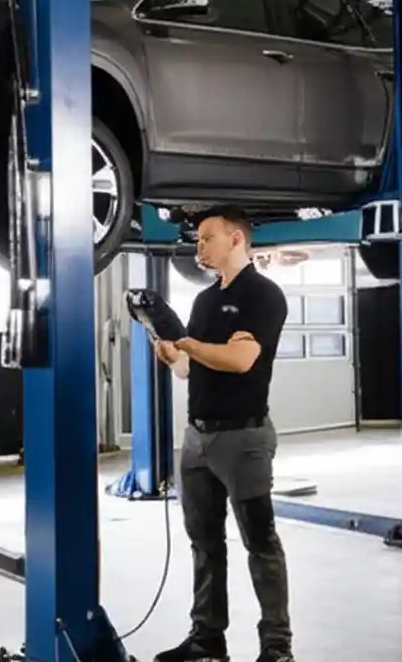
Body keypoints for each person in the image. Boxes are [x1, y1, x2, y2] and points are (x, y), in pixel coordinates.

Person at [153, 206, 294, 662]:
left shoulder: (264, 296)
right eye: (196, 241)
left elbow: (240, 360)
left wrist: (189, 344)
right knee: (205, 542)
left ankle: (277, 646)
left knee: (260, 541)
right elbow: (189, 370)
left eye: (206, 238)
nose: (199, 247)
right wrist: (171, 352)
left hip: (243, 440)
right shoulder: (205, 301)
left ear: (236, 239)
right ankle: (207, 639)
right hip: (197, 439)